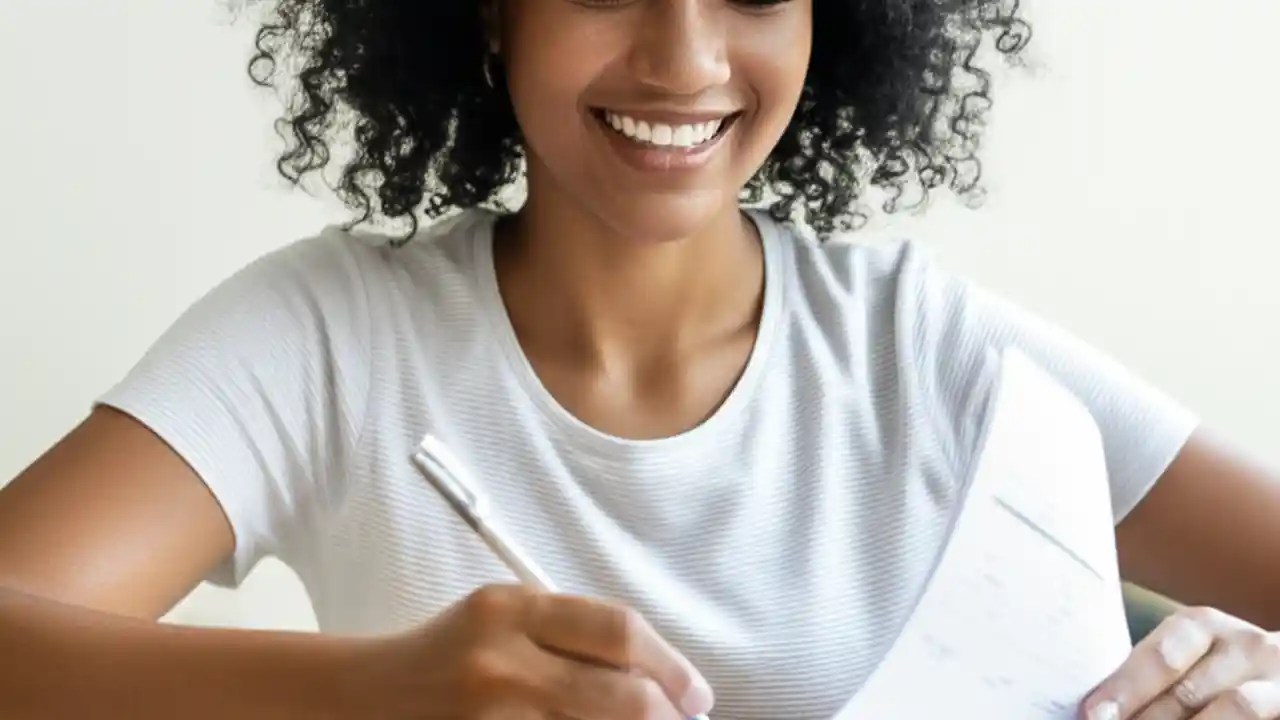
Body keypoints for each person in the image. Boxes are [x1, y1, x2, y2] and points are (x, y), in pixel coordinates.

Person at [2, 0, 1278, 718]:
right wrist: (373, 697)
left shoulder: (928, 353)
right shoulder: (330, 340)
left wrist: (1249, 676)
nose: (684, 60)